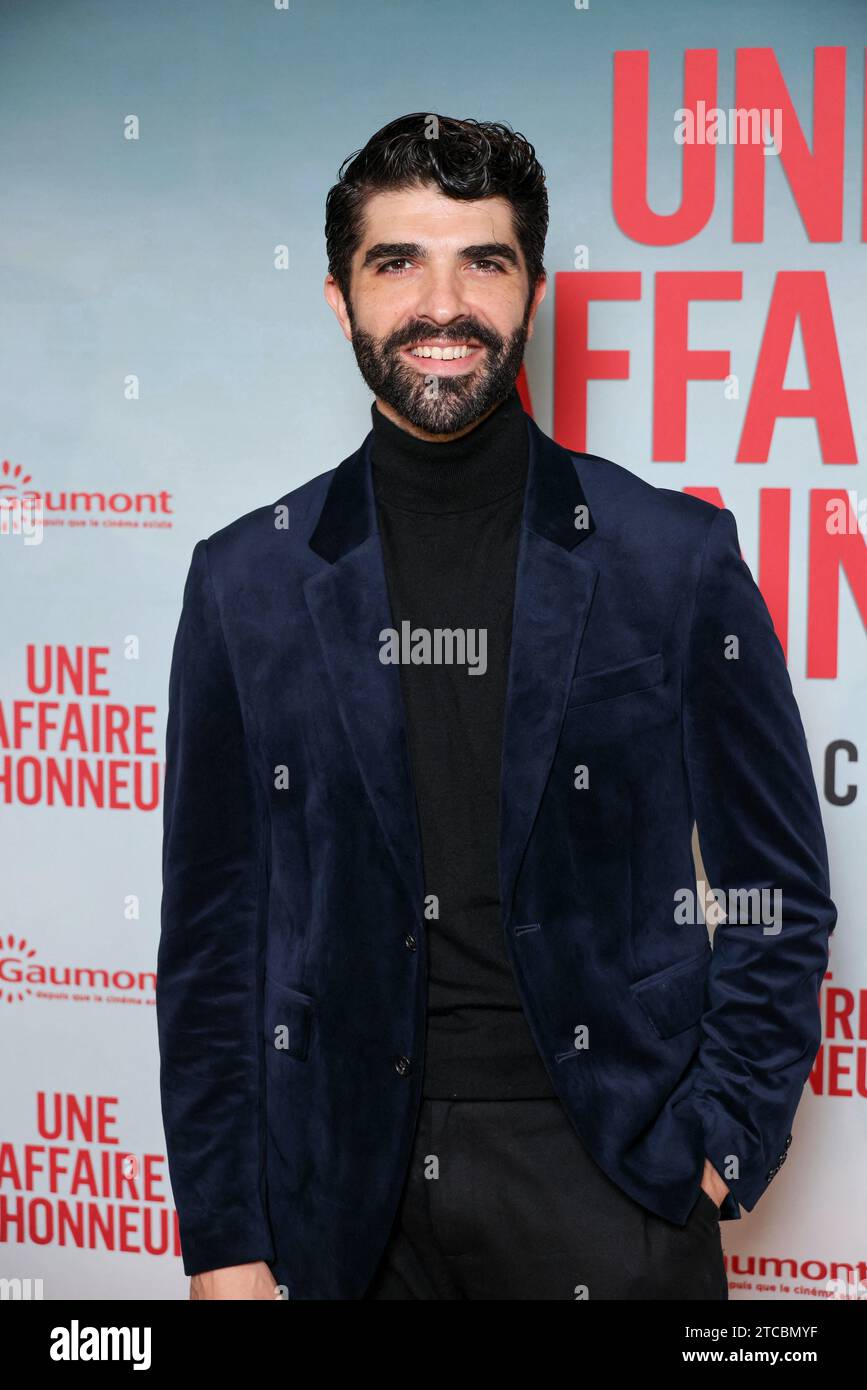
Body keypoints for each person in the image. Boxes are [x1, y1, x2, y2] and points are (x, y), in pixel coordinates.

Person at [156, 113, 837, 1300]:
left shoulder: (671, 557)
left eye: (484, 259)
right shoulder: (244, 580)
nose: (443, 303)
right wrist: (222, 1239)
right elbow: (214, 943)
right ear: (337, 297)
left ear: (534, 290)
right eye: (397, 261)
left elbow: (776, 888)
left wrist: (715, 1148)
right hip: (339, 1203)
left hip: (608, 1184)